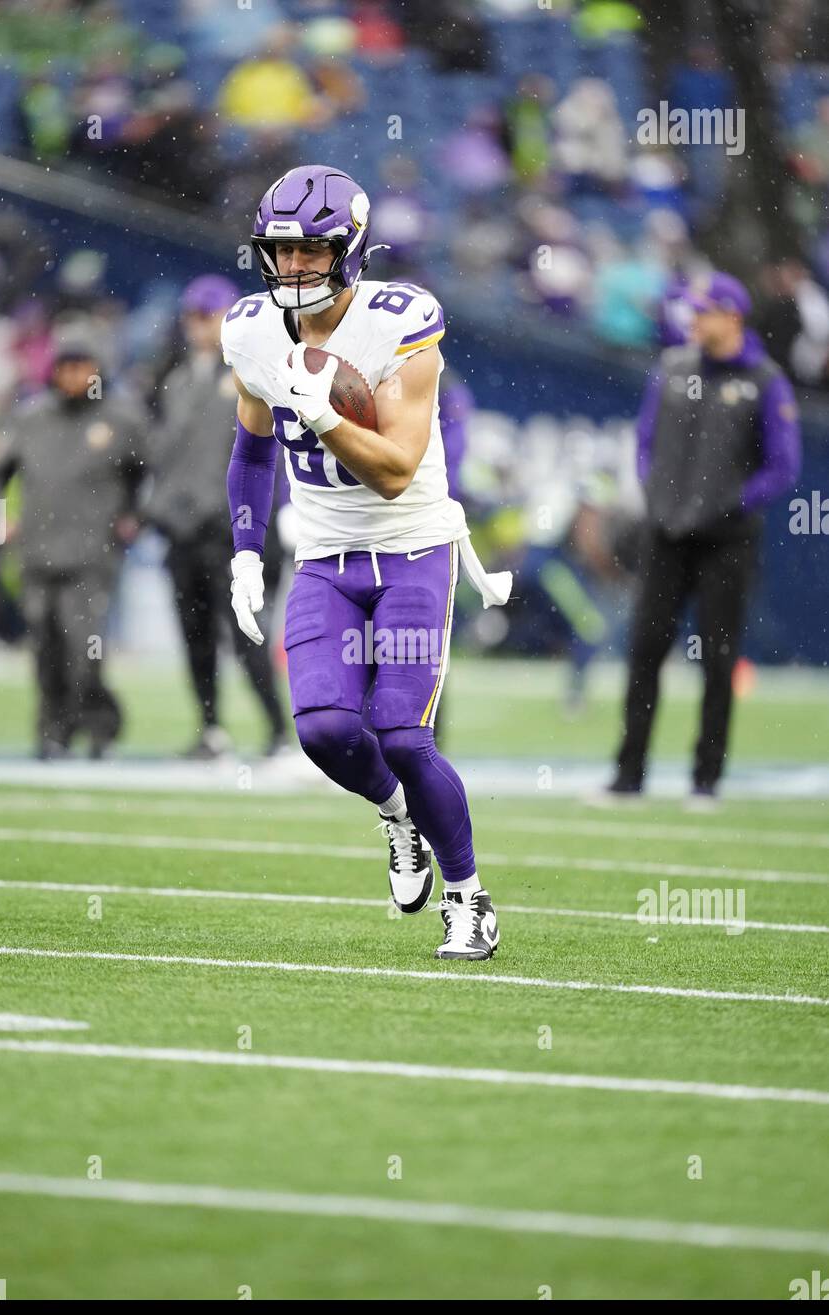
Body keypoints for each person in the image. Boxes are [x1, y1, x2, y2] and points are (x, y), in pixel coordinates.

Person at [221, 165, 512, 960]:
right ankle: (397, 817)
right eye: (279, 252)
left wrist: (321, 415)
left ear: (348, 249)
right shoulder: (249, 329)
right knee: (321, 729)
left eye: (310, 251)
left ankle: (469, 898)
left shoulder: (400, 320)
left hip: (412, 548)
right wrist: (246, 553)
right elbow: (250, 451)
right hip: (323, 556)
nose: (292, 268)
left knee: (406, 736)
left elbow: (391, 472)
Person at [608, 272, 802, 803]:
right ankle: (629, 775)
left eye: (703, 311)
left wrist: (727, 504)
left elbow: (782, 466)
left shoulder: (764, 380)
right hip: (666, 534)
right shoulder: (672, 369)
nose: (693, 320)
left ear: (732, 316)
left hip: (727, 541)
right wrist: (657, 495)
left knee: (718, 658)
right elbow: (646, 442)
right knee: (645, 651)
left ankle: (706, 778)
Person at [0, 328, 146, 758]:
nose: (73, 375)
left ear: (98, 370)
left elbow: (147, 473)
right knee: (45, 648)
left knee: (84, 647)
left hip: (92, 554)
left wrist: (134, 517)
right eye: (65, 366)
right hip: (36, 552)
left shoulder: (121, 419)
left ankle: (98, 726)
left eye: (82, 366)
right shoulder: (30, 418)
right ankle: (52, 731)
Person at [147, 274, 288, 758]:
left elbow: (270, 457)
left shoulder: (253, 371)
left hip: (236, 533)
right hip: (185, 531)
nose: (198, 326)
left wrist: (270, 522)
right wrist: (161, 511)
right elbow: (165, 456)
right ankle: (211, 729)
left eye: (208, 315)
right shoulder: (177, 379)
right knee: (195, 634)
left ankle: (276, 731)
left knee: (249, 632)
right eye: (193, 316)